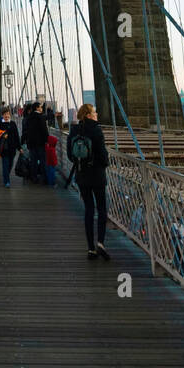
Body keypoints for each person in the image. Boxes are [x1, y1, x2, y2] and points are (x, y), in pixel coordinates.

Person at [68, 102, 110, 259]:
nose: (97, 114)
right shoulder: (97, 130)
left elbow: (69, 154)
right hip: (97, 175)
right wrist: (105, 164)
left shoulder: (74, 130)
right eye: (94, 112)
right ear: (88, 115)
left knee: (89, 210)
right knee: (102, 208)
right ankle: (101, 242)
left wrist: (81, 164)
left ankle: (91, 248)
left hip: (82, 176)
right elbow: (102, 154)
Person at [0, 105, 21, 186]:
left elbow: (16, 136)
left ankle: (6, 175)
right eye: (4, 114)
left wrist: (19, 148)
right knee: (5, 164)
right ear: (2, 115)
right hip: (3, 148)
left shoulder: (13, 123)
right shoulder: (0, 124)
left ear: (10, 114)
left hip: (12, 148)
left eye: (7, 114)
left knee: (10, 164)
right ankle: (6, 181)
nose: (6, 116)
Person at [22, 100, 49, 185]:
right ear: (37, 108)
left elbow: (25, 130)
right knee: (42, 160)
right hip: (40, 143)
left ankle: (34, 177)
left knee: (33, 161)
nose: (42, 108)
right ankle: (44, 178)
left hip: (31, 143)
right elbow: (44, 130)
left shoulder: (28, 117)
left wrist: (23, 141)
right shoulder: (41, 117)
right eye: (41, 107)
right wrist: (47, 140)